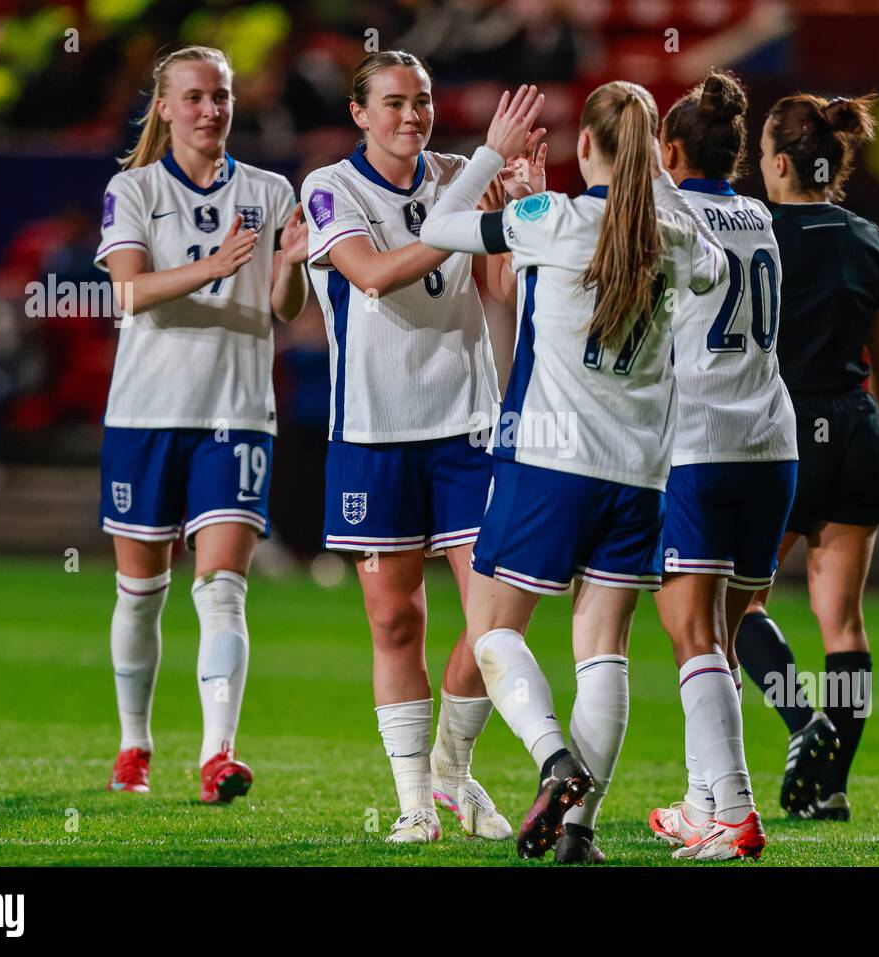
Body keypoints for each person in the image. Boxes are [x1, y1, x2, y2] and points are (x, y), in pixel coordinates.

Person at [420, 80, 727, 862]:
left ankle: (554, 760)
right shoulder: (675, 233)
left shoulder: (548, 219)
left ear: (582, 147)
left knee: (492, 632)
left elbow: (442, 223)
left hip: (549, 460)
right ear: (657, 157)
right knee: (604, 650)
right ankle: (580, 834)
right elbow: (715, 269)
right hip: (640, 474)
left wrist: (495, 153)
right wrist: (654, 182)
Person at [299, 50, 531, 843]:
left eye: (422, 101)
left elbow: (497, 287)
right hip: (373, 434)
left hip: (468, 426)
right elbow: (373, 276)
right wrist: (482, 183)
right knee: (395, 623)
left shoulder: (462, 172)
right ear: (359, 114)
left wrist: (520, 223)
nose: (411, 115)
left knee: (496, 619)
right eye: (393, 102)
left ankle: (452, 770)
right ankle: (412, 802)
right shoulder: (331, 187)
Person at [95, 45, 308, 804]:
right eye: (193, 98)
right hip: (146, 412)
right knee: (141, 590)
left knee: (221, 588)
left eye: (219, 96)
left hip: (237, 413)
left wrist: (285, 268)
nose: (210, 110)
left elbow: (285, 308)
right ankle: (134, 743)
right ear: (164, 107)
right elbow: (125, 292)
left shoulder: (271, 189)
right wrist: (213, 267)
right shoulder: (135, 189)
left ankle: (219, 753)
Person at [732, 92, 879, 823]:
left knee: (733, 605)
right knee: (846, 623)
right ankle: (830, 786)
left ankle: (806, 724)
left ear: (776, 162)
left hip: (781, 430)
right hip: (858, 426)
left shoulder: (755, 231)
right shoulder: (869, 236)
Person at [643, 70, 795, 860]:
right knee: (721, 637)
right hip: (771, 443)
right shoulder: (759, 219)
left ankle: (734, 810)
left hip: (700, 441)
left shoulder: (667, 211)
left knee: (687, 631)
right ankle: (704, 797)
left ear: (670, 149)